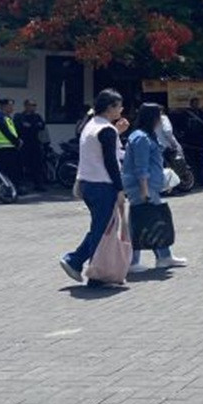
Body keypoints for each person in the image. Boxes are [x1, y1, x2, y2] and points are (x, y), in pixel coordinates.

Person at [60, 89, 128, 284]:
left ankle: (79, 262)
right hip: (102, 185)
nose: (121, 110)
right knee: (103, 229)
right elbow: (110, 162)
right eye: (119, 106)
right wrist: (119, 188)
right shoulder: (106, 130)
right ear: (110, 108)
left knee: (99, 227)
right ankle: (85, 267)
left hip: (87, 183)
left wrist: (117, 133)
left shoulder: (90, 126)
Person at [123, 103, 187, 273]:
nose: (161, 120)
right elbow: (141, 167)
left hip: (150, 186)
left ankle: (163, 257)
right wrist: (144, 190)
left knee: (152, 220)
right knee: (141, 221)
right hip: (142, 187)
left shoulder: (146, 136)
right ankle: (133, 261)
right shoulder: (141, 138)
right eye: (159, 116)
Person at [0, 97, 25, 192]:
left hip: (10, 147)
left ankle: (15, 188)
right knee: (9, 170)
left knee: (15, 169)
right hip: (4, 147)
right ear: (4, 106)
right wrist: (17, 141)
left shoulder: (7, 118)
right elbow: (7, 132)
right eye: (10, 106)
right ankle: (10, 189)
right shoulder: (0, 118)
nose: (12, 108)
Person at [15, 98, 48, 192]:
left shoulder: (37, 116)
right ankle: (22, 185)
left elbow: (42, 126)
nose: (34, 107)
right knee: (22, 165)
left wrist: (30, 126)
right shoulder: (20, 116)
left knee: (37, 165)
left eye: (35, 105)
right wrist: (33, 126)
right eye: (31, 105)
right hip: (24, 144)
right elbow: (19, 126)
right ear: (26, 106)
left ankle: (38, 184)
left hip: (35, 143)